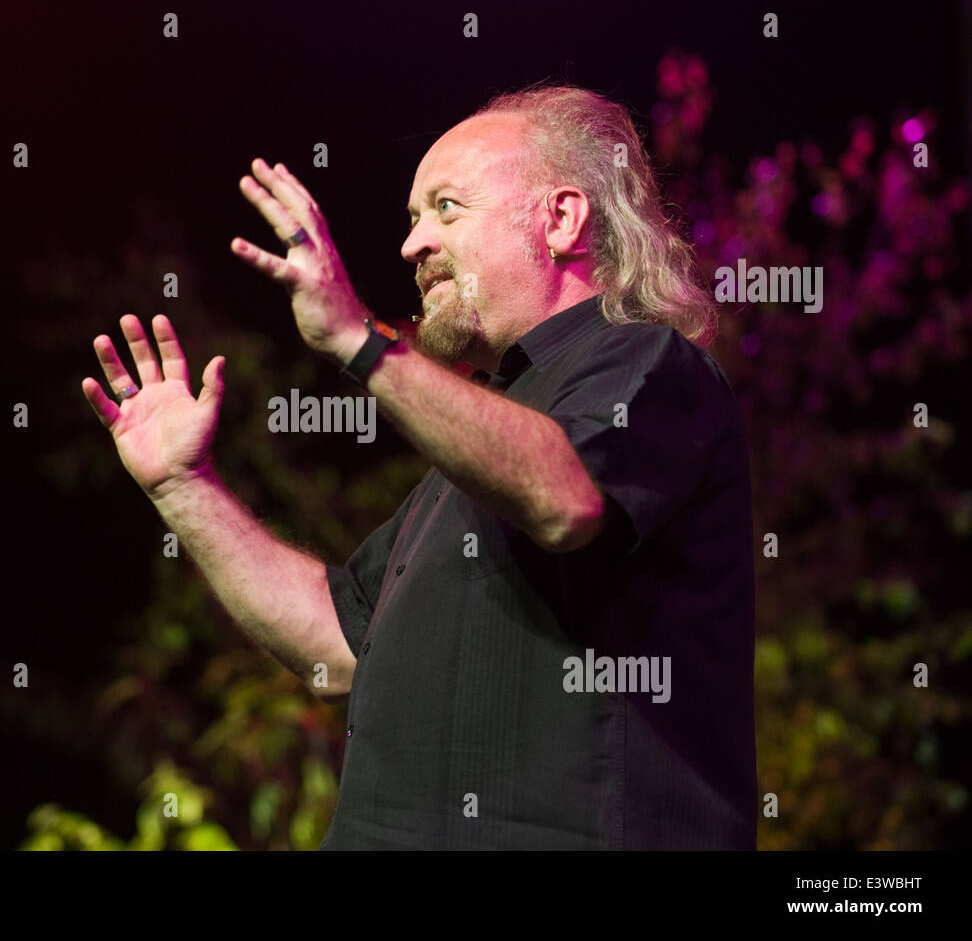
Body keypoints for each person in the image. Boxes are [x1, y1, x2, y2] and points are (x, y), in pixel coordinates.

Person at [81, 83, 756, 850]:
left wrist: (357, 337)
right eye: (411, 219)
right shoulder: (476, 446)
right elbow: (337, 645)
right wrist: (183, 484)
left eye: (445, 208)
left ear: (561, 219)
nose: (411, 245)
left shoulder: (650, 365)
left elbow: (567, 497)